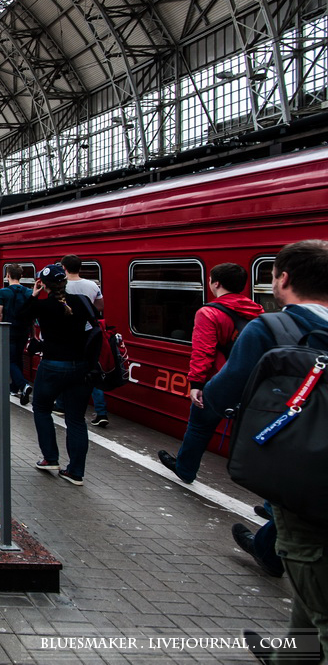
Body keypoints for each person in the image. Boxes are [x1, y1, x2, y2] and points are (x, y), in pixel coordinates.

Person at [204, 240, 328, 663]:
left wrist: (207, 396)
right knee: (309, 591)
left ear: (285, 279)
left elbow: (224, 393)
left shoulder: (271, 328)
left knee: (315, 581)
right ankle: (287, 657)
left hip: (303, 480)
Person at [158, 262, 262, 484]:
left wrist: (196, 383)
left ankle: (185, 469)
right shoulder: (257, 311)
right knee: (254, 436)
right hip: (250, 383)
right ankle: (268, 498)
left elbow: (203, 351)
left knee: (199, 426)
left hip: (219, 382)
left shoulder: (209, 312)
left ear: (216, 283)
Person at [21, 263, 99, 486]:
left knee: (42, 408)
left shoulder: (43, 307)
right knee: (76, 419)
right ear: (64, 281)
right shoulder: (81, 302)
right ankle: (76, 472)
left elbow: (20, 317)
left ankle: (50, 458)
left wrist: (34, 296)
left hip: (53, 365)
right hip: (81, 366)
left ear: (43, 285)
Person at [59, 254, 110, 427]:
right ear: (79, 267)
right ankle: (101, 412)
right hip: (89, 333)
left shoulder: (61, 285)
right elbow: (101, 306)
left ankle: (60, 404)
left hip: (66, 334)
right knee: (92, 369)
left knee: (63, 366)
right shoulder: (92, 285)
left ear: (64, 267)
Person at [0, 264, 34, 405]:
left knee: (8, 359)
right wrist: (32, 333)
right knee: (18, 358)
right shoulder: (28, 292)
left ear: (7, 275)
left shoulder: (2, 292)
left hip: (7, 330)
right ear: (21, 276)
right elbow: (31, 315)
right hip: (23, 330)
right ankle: (15, 387)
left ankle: (23, 385)